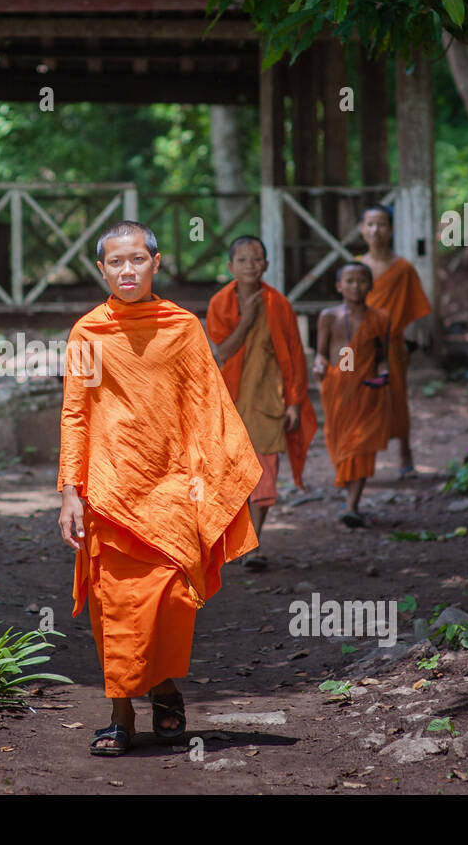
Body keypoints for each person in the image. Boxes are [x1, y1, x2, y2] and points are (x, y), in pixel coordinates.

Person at [58, 220, 261, 756]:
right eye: (116, 263)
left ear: (157, 262)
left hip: (172, 486)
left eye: (137, 260)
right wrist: (70, 492)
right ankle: (120, 714)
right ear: (101, 270)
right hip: (110, 488)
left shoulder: (182, 327)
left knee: (172, 598)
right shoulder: (89, 333)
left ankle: (166, 686)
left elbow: (205, 405)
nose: (127, 271)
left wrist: (212, 476)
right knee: (115, 605)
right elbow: (76, 413)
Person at [205, 235, 317, 566]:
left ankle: (253, 544)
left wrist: (294, 402)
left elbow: (295, 356)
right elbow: (223, 351)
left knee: (264, 472)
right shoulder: (220, 304)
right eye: (242, 260)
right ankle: (238, 540)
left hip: (270, 401)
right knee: (234, 473)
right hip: (231, 401)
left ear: (266, 265)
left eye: (257, 260)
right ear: (230, 267)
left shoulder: (279, 304)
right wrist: (247, 320)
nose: (250, 265)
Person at [356, 204, 432, 477]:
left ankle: (405, 453)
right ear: (362, 229)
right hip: (361, 345)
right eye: (370, 224)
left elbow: (417, 307)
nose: (375, 230)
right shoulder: (356, 268)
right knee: (364, 400)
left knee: (397, 397)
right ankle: (365, 461)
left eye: (382, 224)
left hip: (392, 344)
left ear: (391, 229)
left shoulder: (403, 269)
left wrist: (415, 341)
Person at [313, 262, 391, 528]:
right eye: (349, 281)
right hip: (337, 388)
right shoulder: (329, 316)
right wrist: (319, 364)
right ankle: (350, 495)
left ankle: (351, 505)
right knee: (341, 445)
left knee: (361, 446)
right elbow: (321, 351)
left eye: (361, 281)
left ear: (370, 286)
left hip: (367, 388)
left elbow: (383, 356)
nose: (355, 286)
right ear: (339, 286)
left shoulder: (381, 318)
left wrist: (383, 375)